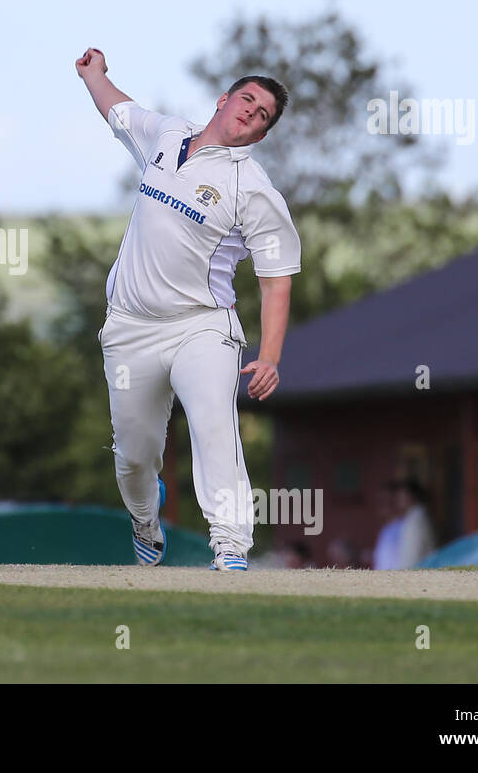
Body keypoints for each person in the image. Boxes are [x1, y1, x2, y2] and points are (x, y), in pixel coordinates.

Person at [75, 47, 301, 571]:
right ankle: (146, 524)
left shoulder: (254, 189)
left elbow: (277, 280)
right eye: (246, 99)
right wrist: (95, 75)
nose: (250, 112)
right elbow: (119, 111)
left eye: (262, 115)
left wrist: (269, 357)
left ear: (261, 135)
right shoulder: (168, 135)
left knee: (213, 424)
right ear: (223, 101)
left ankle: (229, 546)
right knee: (133, 457)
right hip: (129, 327)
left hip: (203, 326)